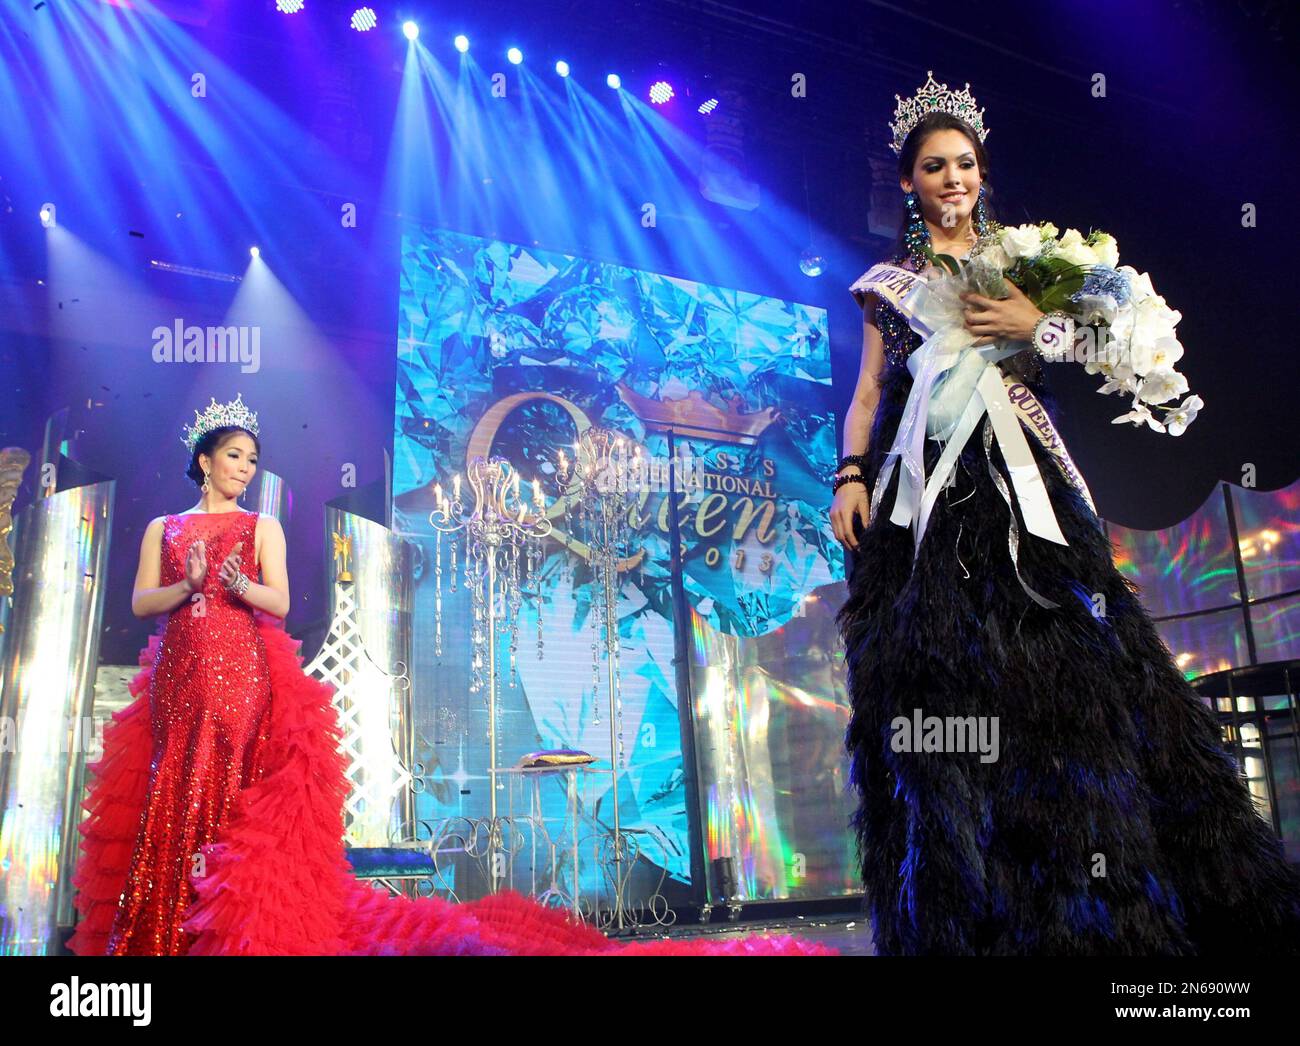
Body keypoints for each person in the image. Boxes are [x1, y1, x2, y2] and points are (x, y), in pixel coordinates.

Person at [67, 395, 833, 957]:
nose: (244, 470)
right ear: (204, 459)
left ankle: (232, 933)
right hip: (179, 673)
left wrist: (231, 586)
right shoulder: (164, 528)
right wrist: (188, 581)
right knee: (175, 793)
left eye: (252, 460)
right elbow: (141, 601)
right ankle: (160, 931)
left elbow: (281, 600)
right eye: (233, 457)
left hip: (242, 671)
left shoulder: (261, 525)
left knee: (235, 796)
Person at [831, 74, 1300, 956]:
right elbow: (866, 394)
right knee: (929, 709)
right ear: (909, 182)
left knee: (1068, 686)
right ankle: (956, 917)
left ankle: (1105, 915)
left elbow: (1102, 346)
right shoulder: (884, 288)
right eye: (934, 166)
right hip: (923, 502)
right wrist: (850, 476)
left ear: (981, 170)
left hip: (1023, 492)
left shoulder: (1032, 259)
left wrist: (1032, 321)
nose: (953, 178)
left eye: (965, 163)